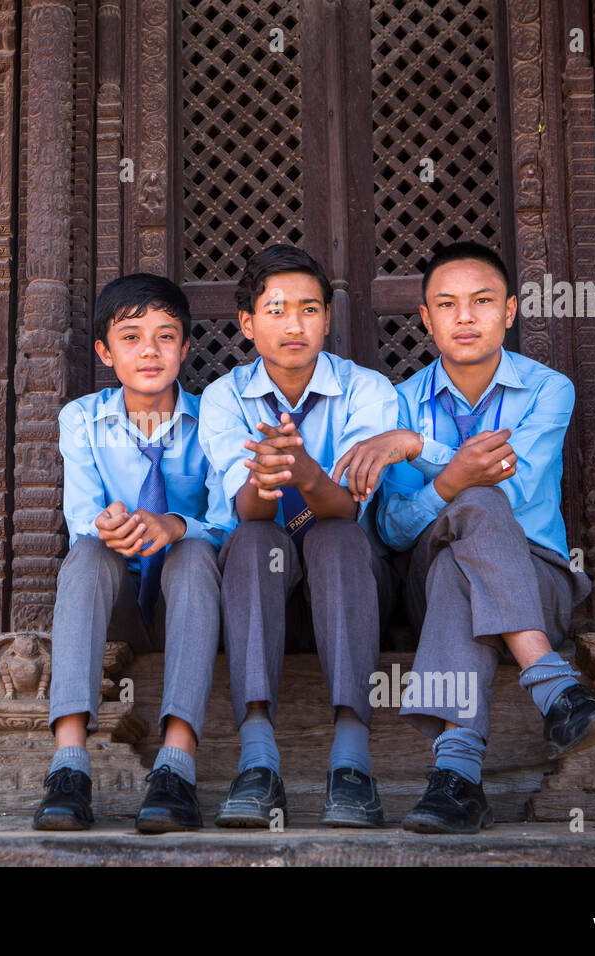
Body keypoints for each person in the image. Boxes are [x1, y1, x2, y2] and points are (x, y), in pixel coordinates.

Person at [339, 241, 595, 834]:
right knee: (461, 522)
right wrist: (451, 480)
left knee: (465, 544)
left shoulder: (550, 390)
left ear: (512, 311)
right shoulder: (399, 403)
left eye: (482, 301)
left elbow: (511, 486)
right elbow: (392, 531)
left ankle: (457, 778)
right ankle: (557, 692)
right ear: (426, 318)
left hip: (537, 576)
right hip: (420, 584)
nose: (465, 317)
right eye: (447, 304)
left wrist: (428, 458)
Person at [198, 244, 399, 828]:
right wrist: (267, 473)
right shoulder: (224, 397)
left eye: (310, 309)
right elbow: (249, 514)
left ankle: (352, 765)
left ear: (328, 319)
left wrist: (303, 469)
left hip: (352, 585)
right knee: (254, 543)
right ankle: (258, 762)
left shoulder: (367, 390)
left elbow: (344, 507)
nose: (294, 324)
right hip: (262, 583)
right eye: (277, 309)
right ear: (247, 323)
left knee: (335, 537)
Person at [34, 273, 230, 833]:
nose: (150, 350)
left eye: (167, 336)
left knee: (193, 552)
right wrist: (108, 525)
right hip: (119, 601)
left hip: (186, 604)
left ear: (186, 348)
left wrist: (175, 524)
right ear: (104, 352)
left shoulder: (212, 418)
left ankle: (176, 766)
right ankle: (69, 765)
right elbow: (80, 519)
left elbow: (228, 523)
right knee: (87, 557)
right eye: (131, 337)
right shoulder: (81, 419)